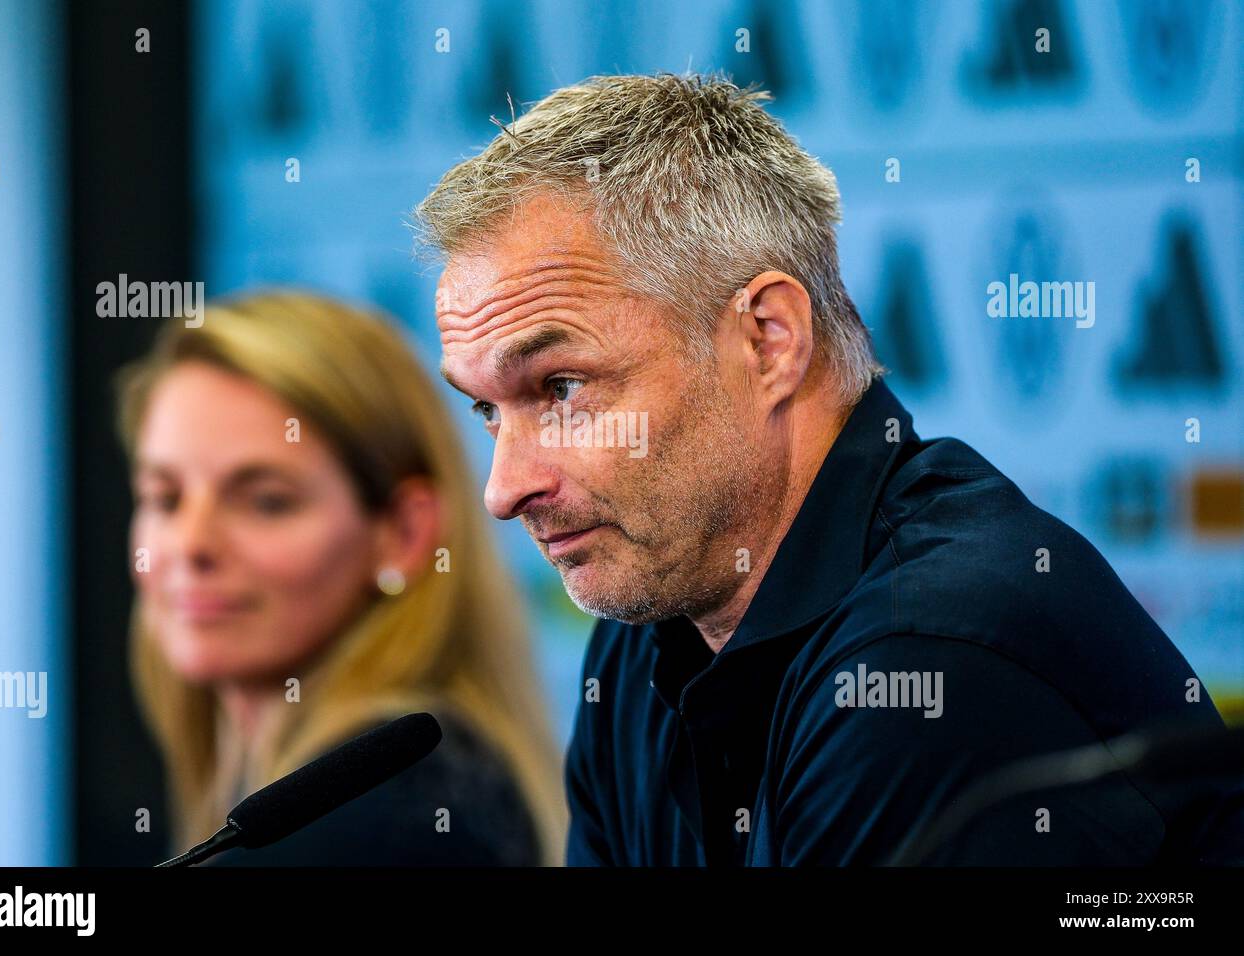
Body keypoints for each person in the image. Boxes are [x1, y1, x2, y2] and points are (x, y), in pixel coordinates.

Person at [414, 72, 1244, 865]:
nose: (502, 488)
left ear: (768, 342)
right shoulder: (639, 646)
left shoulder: (929, 663)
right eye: (487, 409)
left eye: (560, 387)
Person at [114, 290, 566, 865]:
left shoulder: (393, 821)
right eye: (165, 498)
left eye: (266, 501)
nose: (190, 544)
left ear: (402, 533)